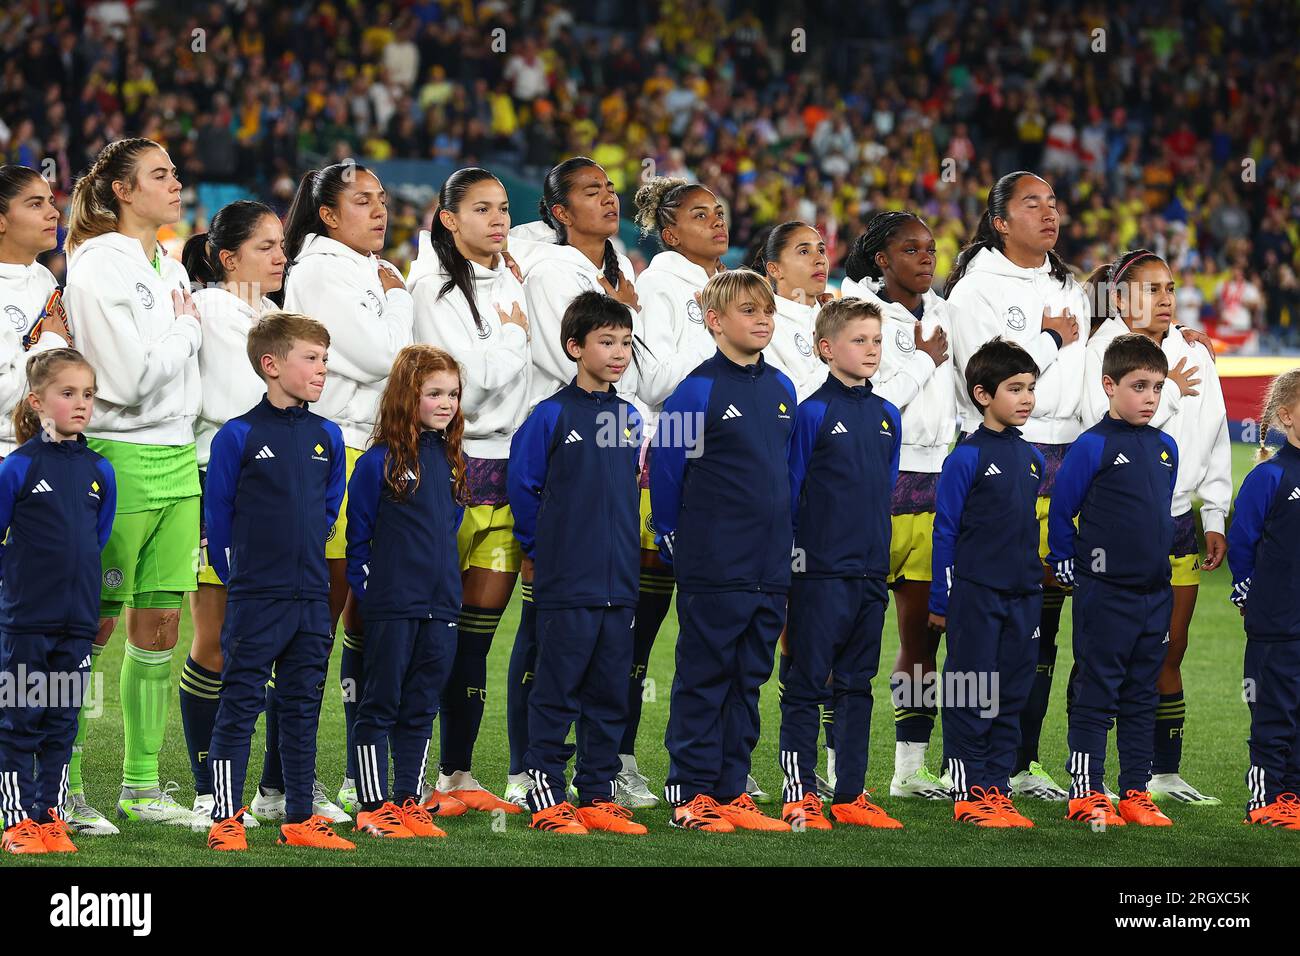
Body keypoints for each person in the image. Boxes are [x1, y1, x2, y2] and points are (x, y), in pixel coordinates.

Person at [63, 137, 203, 830]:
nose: (175, 183)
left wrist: (178, 344)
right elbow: (126, 379)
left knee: (160, 625)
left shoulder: (167, 262)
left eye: (175, 173)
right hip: (119, 457)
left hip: (177, 457)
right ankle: (62, 782)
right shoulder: (98, 267)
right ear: (121, 189)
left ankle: (142, 788)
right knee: (90, 625)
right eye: (159, 174)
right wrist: (186, 333)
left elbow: (175, 376)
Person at [272, 161, 414, 820]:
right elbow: (389, 358)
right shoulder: (321, 269)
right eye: (363, 201)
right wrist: (399, 295)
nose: (379, 211)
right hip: (334, 453)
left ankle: (352, 773)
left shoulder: (365, 269)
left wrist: (390, 293)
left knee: (365, 616)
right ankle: (280, 784)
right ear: (328, 214)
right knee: (316, 625)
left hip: (375, 451)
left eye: (382, 200)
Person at [501, 157, 641, 813]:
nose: (617, 354)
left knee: (611, 689)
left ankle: (598, 794)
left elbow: (634, 486)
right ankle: (544, 790)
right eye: (605, 343)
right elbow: (524, 489)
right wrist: (540, 546)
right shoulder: (549, 416)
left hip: (619, 579)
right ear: (574, 346)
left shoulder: (630, 417)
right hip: (566, 575)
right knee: (555, 685)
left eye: (624, 343)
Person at [945, 171, 1087, 802]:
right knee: (974, 626)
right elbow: (988, 372)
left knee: (1042, 620)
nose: (1048, 213)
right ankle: (958, 765)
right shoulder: (975, 288)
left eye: (1054, 203)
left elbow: (1096, 369)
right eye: (1032, 204)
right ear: (1000, 221)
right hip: (1001, 454)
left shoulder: (1072, 285)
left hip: (1066, 453)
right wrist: (1050, 340)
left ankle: (1020, 761)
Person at [1083, 249, 1231, 805]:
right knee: (1111, 652)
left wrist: (1213, 512)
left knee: (1171, 649)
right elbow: (1097, 429)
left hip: (1176, 522)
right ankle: (1094, 778)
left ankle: (1160, 774)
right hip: (1119, 524)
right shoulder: (1100, 353)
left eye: (1170, 288)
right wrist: (1168, 390)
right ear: (1119, 300)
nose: (1166, 298)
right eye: (1151, 289)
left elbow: (1215, 436)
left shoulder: (1193, 350)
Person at [652, 268, 794, 833]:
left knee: (749, 678)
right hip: (715, 562)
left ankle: (733, 791)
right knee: (704, 676)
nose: (762, 319)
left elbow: (788, 476)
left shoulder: (783, 388)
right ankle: (690, 792)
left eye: (767, 310)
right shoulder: (696, 390)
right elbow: (667, 469)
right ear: (715, 322)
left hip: (771, 564)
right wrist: (675, 540)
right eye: (748, 310)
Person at [203, 312, 352, 852]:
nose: (322, 369)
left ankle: (298, 818)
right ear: (271, 365)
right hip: (256, 597)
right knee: (240, 705)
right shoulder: (237, 435)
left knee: (301, 707)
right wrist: (239, 580)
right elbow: (217, 518)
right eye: (310, 358)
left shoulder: (327, 435)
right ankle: (225, 818)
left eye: (325, 359)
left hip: (312, 597)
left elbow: (330, 506)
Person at [406, 167, 528, 814]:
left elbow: (521, 379)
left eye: (504, 207)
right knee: (430, 630)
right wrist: (512, 335)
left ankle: (458, 775)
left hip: (507, 469)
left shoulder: (512, 279)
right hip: (451, 469)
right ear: (449, 219)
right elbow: (465, 386)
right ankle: (405, 777)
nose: (499, 218)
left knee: (478, 636)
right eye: (482, 209)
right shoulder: (430, 286)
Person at [617, 176, 727, 808]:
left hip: (726, 469)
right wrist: (722, 343)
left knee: (711, 626)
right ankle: (619, 759)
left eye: (719, 212)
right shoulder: (659, 285)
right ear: (668, 231)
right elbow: (652, 378)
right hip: (673, 456)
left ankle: (708, 764)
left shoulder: (735, 286)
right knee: (642, 625)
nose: (716, 222)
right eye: (698, 215)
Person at [841, 211, 956, 800]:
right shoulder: (856, 315)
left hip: (935, 482)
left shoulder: (943, 313)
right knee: (850, 632)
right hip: (877, 481)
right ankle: (837, 770)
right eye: (910, 249)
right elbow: (868, 400)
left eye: (931, 248)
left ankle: (910, 770)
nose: (926, 257)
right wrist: (924, 360)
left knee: (923, 637)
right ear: (882, 260)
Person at [779, 298, 903, 830]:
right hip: (818, 573)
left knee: (857, 683)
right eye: (859, 340)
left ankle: (851, 792)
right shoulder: (811, 413)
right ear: (826, 348)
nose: (871, 350)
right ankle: (798, 793)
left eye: (877, 340)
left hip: (870, 572)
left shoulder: (887, 415)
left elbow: (885, 491)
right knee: (807, 683)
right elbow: (790, 492)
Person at [178, 199, 283, 825]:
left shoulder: (268, 313)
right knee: (216, 639)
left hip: (271, 484)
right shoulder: (215, 310)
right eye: (265, 247)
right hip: (219, 477)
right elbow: (240, 397)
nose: (279, 256)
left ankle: (254, 788)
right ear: (227, 258)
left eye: (280, 246)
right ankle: (204, 787)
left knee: (260, 640)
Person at [1048, 333, 1177, 828]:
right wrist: (1066, 560)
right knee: (1097, 690)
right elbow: (1064, 510)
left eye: (1157, 387)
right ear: (1109, 385)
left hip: (1154, 594)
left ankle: (1135, 791)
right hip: (1105, 591)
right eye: (1138, 385)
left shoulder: (1166, 448)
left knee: (1142, 693)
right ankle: (1086, 791)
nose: (1149, 396)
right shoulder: (1093, 445)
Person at [345, 345, 468, 839]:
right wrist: (376, 592)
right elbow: (359, 542)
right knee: (381, 703)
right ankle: (373, 805)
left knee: (422, 705)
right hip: (395, 605)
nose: (446, 403)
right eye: (434, 392)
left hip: (442, 606)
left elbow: (448, 528)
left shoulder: (455, 461)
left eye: (454, 393)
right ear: (406, 396)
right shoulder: (379, 462)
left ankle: (408, 800)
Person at [0, 349, 115, 854]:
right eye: (68, 393)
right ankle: (15, 819)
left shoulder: (100, 471)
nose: (80, 404)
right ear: (37, 400)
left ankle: (50, 816)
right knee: (19, 719)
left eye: (87, 394)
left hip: (76, 626)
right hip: (25, 623)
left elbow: (96, 540)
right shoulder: (17, 468)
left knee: (63, 721)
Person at [930, 338, 1044, 828]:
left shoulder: (1033, 457)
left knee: (1012, 694)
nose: (1026, 398)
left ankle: (997, 788)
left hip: (1023, 596)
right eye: (1015, 388)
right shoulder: (965, 458)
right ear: (982, 394)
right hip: (976, 595)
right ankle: (968, 790)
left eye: (1031, 389)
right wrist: (942, 598)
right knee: (971, 690)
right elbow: (946, 531)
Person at [1228, 369, 1300, 829]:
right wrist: (1248, 592)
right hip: (1277, 621)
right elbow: (1242, 542)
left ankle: (1293, 796)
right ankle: (1268, 800)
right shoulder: (1269, 475)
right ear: (1287, 415)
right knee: (1274, 713)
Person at [0, 166, 74, 461]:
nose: (53, 214)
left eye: (50, 202)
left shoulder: (44, 278)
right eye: (35, 204)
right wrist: (51, 343)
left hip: (50, 451)